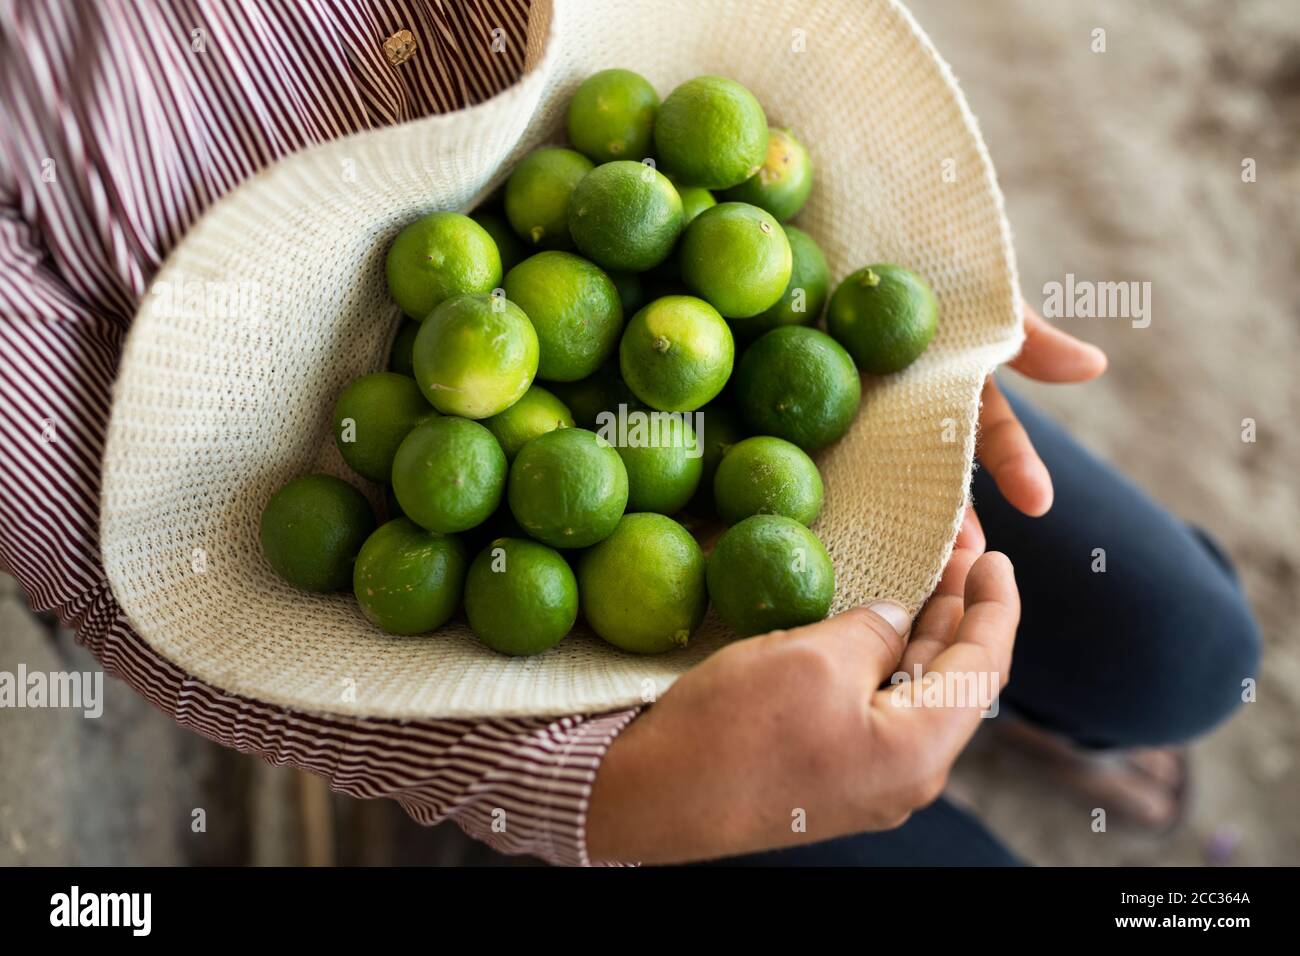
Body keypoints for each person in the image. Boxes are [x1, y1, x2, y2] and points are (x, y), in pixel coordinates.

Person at [0, 1, 1259, 866]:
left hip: (748, 327)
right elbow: (138, 578)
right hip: (463, 562)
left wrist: (912, 268)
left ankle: (1015, 708)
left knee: (1186, 650)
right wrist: (606, 794)